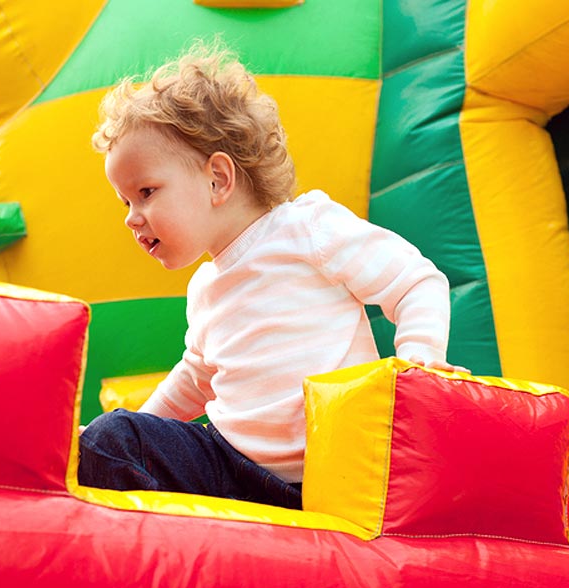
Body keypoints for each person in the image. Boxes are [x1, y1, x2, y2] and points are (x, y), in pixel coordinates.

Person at [79, 43, 467, 509]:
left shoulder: (307, 229)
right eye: (126, 202)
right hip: (232, 467)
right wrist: (132, 427)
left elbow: (414, 282)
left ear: (218, 178)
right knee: (109, 441)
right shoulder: (205, 288)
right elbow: (195, 379)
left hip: (337, 465)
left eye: (145, 192)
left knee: (110, 438)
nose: (131, 217)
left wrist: (419, 365)